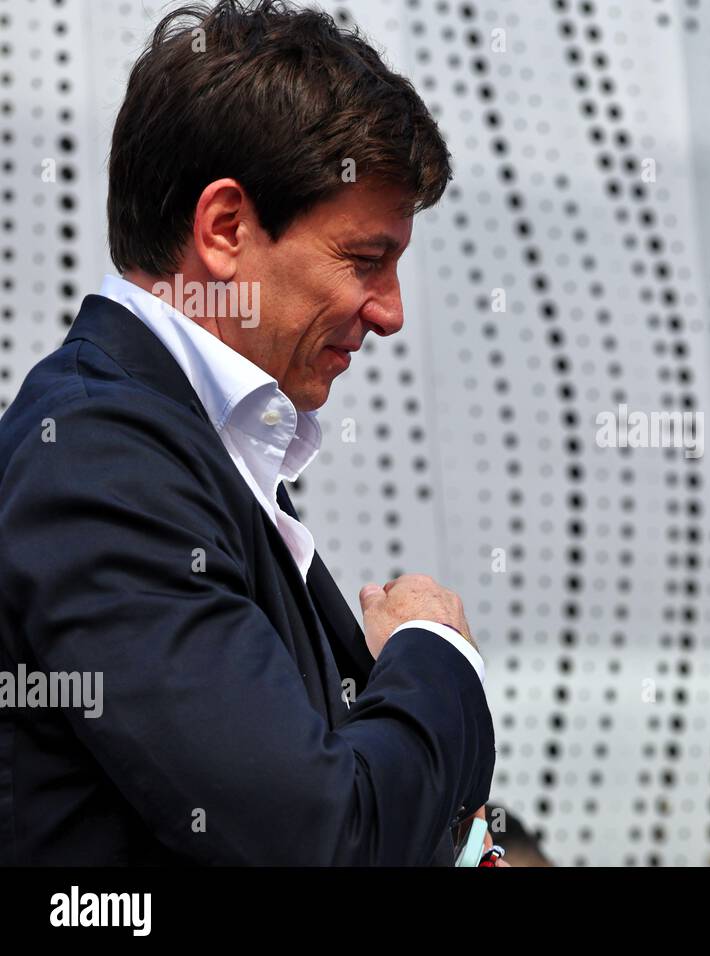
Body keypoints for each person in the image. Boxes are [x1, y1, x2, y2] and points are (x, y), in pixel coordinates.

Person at [0, 0, 493, 865]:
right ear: (225, 229)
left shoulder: (171, 444)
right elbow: (317, 840)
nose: (391, 313)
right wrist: (434, 653)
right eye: (364, 259)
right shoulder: (103, 464)